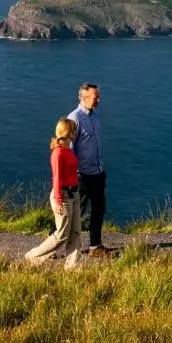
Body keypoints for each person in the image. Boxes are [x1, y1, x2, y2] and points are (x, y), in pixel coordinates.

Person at [24, 118, 83, 267]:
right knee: (62, 234)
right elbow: (56, 177)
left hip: (74, 194)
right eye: (74, 130)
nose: (76, 133)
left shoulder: (68, 151)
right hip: (62, 196)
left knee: (76, 231)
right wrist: (57, 200)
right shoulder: (58, 153)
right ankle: (33, 255)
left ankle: (72, 267)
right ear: (68, 133)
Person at [67, 82, 112, 255]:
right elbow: (70, 149)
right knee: (75, 213)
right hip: (82, 176)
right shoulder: (74, 119)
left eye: (98, 97)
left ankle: (96, 246)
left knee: (99, 209)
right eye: (96, 97)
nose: (98, 100)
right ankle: (52, 241)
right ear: (84, 98)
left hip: (97, 173)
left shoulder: (94, 118)